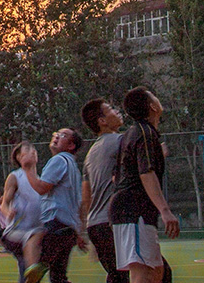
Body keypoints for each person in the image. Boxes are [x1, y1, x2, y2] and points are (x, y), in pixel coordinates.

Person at [115, 87, 179, 283]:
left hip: (132, 210)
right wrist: (165, 210)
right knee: (144, 273)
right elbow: (146, 173)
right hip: (133, 210)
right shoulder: (144, 133)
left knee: (157, 271)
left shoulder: (134, 134)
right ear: (153, 106)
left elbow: (119, 176)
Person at [20, 128, 86, 283]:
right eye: (55, 134)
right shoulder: (73, 167)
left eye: (62, 135)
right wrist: (78, 231)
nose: (56, 137)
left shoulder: (59, 160)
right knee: (58, 277)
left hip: (56, 223)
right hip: (68, 228)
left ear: (71, 145)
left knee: (34, 264)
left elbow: (42, 188)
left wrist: (28, 168)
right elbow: (78, 203)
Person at [79, 98, 125, 283]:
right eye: (111, 109)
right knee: (156, 272)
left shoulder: (90, 154)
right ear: (102, 121)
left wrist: (86, 229)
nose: (117, 111)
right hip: (113, 222)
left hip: (95, 225)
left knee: (116, 275)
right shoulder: (120, 141)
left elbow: (86, 196)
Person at [0, 142, 44, 279]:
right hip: (17, 232)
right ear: (19, 157)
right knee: (28, 266)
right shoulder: (16, 177)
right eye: (28, 149)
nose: (33, 151)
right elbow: (4, 203)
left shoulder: (40, 180)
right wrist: (8, 212)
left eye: (34, 149)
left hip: (35, 231)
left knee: (31, 273)